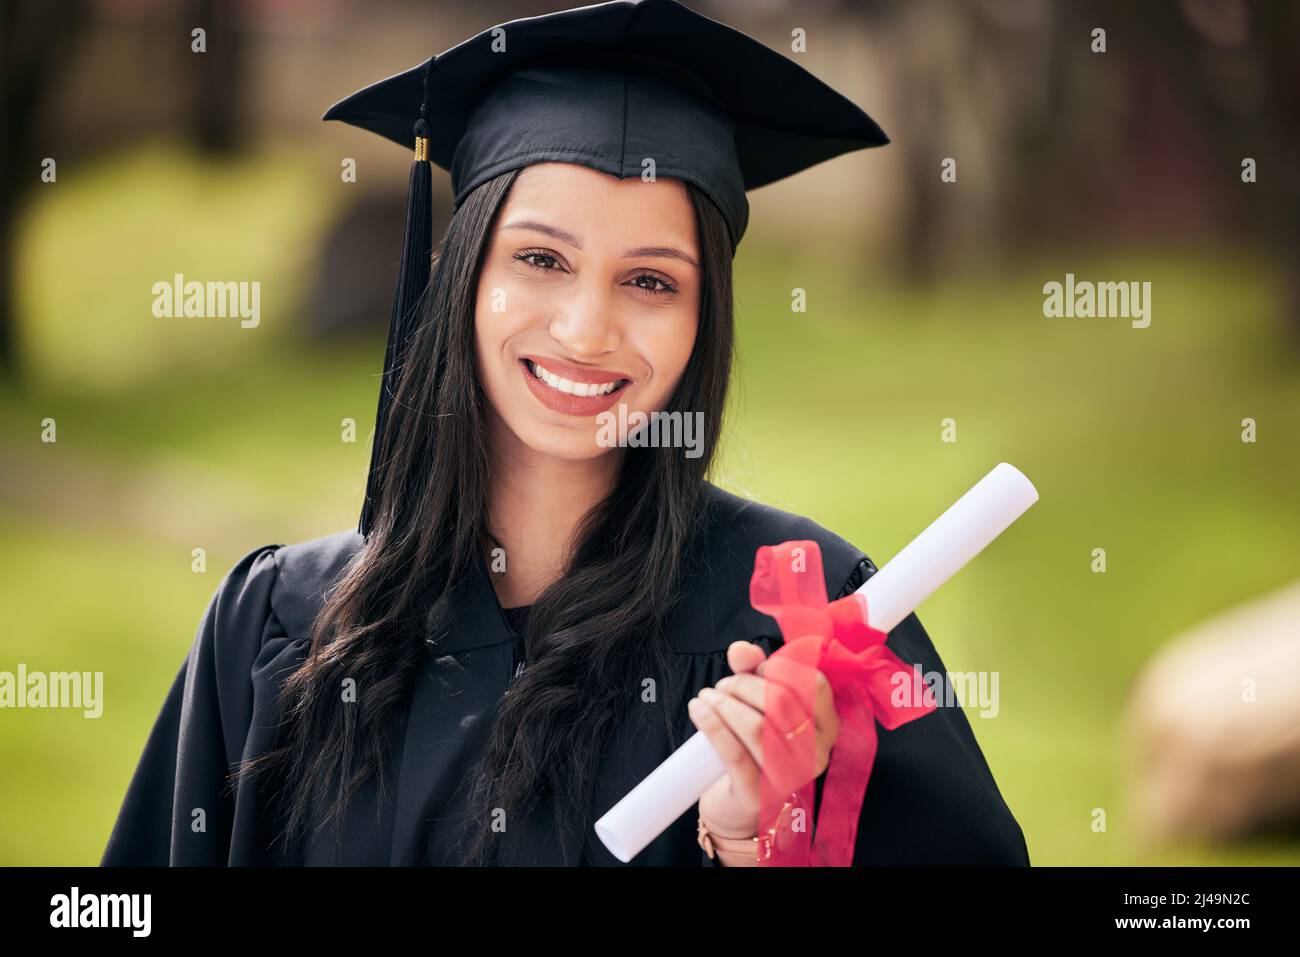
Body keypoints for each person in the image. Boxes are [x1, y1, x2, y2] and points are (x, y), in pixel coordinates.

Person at [101, 0, 1029, 867]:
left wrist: (760, 839)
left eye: (652, 281)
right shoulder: (278, 626)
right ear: (464, 276)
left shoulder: (806, 621)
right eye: (541, 259)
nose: (587, 330)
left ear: (706, 319)